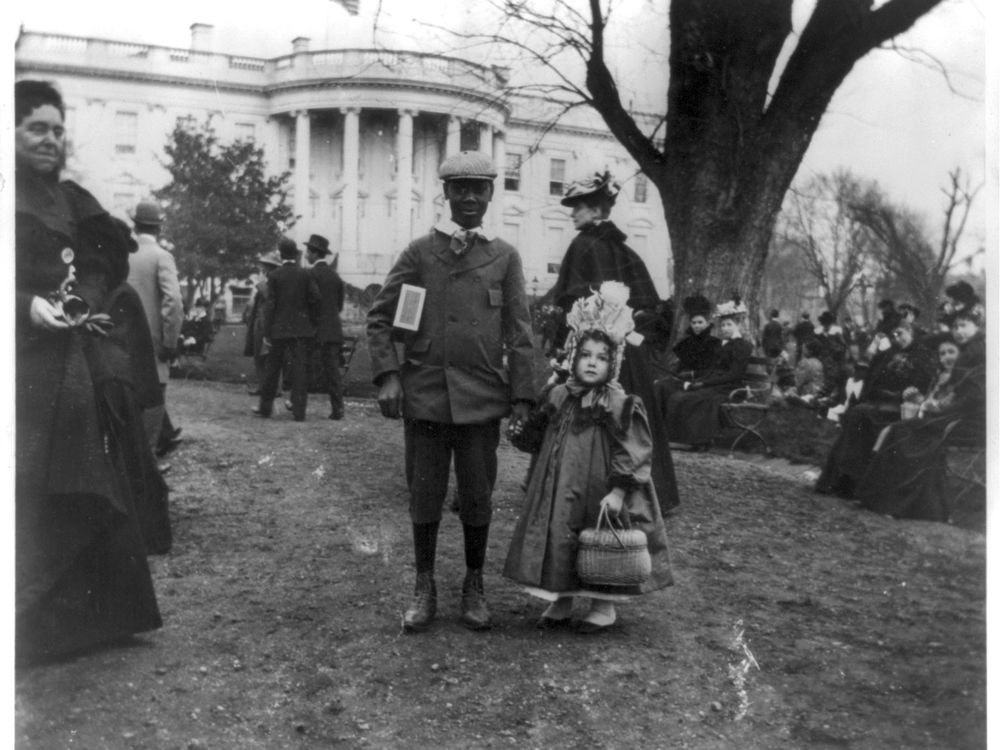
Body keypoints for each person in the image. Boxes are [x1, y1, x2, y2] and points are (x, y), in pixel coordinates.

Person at [15, 80, 161, 661]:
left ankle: (91, 620)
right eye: (36, 129)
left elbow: (106, 259)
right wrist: (25, 305)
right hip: (19, 358)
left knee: (90, 473)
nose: (52, 139)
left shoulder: (73, 198)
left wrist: (87, 300)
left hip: (72, 356)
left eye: (57, 128)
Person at [366, 151, 535, 632]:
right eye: (458, 188)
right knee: (424, 493)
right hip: (426, 395)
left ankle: (474, 583)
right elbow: (381, 319)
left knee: (478, 494)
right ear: (445, 193)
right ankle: (424, 586)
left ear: (490, 194)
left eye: (477, 188)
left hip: (481, 397)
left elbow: (520, 331)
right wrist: (389, 376)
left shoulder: (504, 256)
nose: (467, 197)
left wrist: (523, 395)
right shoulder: (421, 253)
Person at [504, 284, 673, 633]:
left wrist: (620, 490)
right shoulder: (560, 393)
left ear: (613, 363)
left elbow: (634, 448)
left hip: (600, 484)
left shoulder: (619, 403)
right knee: (559, 532)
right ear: (573, 357)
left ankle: (602, 605)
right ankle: (561, 598)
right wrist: (527, 422)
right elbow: (537, 434)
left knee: (600, 539)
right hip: (559, 482)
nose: (592, 362)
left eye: (601, 357)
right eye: (586, 355)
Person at [544, 170, 680, 512]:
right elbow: (651, 309)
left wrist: (561, 347)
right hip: (627, 357)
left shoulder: (582, 245)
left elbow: (568, 305)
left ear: (595, 210)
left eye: (578, 207)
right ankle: (649, 490)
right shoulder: (626, 251)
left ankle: (584, 488)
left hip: (591, 355)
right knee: (629, 416)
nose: (573, 213)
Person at [855, 309, 986, 521]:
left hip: (973, 422)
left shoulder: (981, 352)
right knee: (902, 429)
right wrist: (940, 404)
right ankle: (879, 498)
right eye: (955, 327)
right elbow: (960, 393)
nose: (958, 331)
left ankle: (898, 504)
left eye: (964, 325)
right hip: (958, 415)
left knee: (905, 432)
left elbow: (975, 398)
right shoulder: (969, 350)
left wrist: (942, 408)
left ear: (976, 326)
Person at [815, 320, 936, 497]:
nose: (897, 338)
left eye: (900, 333)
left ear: (911, 332)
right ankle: (842, 480)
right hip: (881, 402)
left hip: (903, 407)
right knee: (856, 416)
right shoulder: (890, 354)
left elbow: (922, 388)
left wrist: (904, 394)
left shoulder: (922, 357)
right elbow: (875, 380)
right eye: (894, 335)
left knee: (861, 415)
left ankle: (854, 482)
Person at [127, 199, 184, 457]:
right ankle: (148, 461)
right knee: (154, 397)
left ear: (135, 225)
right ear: (158, 229)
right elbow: (173, 302)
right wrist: (170, 342)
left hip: (122, 338)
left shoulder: (122, 254)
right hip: (152, 340)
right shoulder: (162, 256)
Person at [662, 296, 753, 450]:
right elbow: (713, 370)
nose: (725, 329)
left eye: (729, 325)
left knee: (691, 399)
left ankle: (697, 441)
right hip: (716, 384)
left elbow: (734, 374)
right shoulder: (722, 345)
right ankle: (683, 438)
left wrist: (704, 383)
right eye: (723, 325)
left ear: (738, 325)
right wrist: (696, 380)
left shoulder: (742, 346)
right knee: (679, 396)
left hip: (730, 387)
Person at [253, 237, 320, 422]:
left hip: (279, 330)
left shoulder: (274, 276)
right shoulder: (306, 274)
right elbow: (315, 299)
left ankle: (265, 408)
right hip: (301, 330)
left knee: (272, 369)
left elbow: (270, 306)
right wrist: (311, 323)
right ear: (295, 253)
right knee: (300, 370)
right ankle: (299, 412)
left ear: (281, 254)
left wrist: (267, 333)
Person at [305, 233, 346, 420]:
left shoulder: (311, 274)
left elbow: (311, 303)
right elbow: (339, 306)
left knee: (304, 367)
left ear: (314, 253)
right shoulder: (336, 277)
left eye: (308, 251)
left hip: (314, 329)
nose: (306, 254)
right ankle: (338, 409)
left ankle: (297, 403)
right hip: (333, 330)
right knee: (332, 371)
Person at [243, 249, 282, 394]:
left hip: (268, 321)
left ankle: (274, 388)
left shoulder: (274, 280)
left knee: (269, 356)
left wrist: (260, 285)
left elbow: (270, 298)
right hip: (259, 320)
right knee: (258, 355)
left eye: (266, 265)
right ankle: (263, 386)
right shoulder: (266, 279)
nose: (263, 268)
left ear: (272, 266)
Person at [669, 294, 721, 380]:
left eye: (700, 322)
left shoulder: (715, 343)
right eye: (694, 323)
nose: (696, 326)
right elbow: (681, 366)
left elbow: (712, 370)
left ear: (707, 323)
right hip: (684, 380)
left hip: (704, 381)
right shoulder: (685, 343)